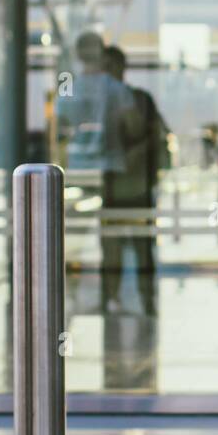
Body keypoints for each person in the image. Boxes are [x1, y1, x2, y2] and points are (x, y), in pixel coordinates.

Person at [54, 31, 142, 313]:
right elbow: (135, 127)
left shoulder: (70, 88)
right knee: (110, 239)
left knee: (71, 240)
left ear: (79, 56)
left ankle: (70, 297)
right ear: (102, 54)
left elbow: (59, 130)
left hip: (77, 170)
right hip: (109, 171)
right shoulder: (116, 89)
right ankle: (109, 298)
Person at [101, 44, 169, 317]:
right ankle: (111, 301)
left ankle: (147, 301)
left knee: (142, 249)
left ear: (119, 68)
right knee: (110, 249)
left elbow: (157, 135)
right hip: (111, 187)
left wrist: (131, 156)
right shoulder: (99, 103)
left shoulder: (139, 100)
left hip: (137, 187)